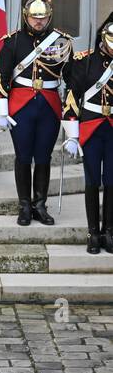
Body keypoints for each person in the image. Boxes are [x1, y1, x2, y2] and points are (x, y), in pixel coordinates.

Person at [0, 0, 72, 226]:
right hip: (21, 105)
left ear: (49, 17)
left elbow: (70, 79)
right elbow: (2, 77)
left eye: (43, 18)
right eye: (34, 17)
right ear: (26, 16)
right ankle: (24, 205)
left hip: (49, 105)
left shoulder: (62, 42)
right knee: (23, 156)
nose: (38, 22)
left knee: (44, 156)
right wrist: (2, 110)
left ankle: (40, 204)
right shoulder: (14, 41)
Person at [62, 19, 113, 255]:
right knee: (93, 180)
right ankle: (93, 232)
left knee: (111, 180)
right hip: (91, 127)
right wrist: (72, 134)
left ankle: (109, 231)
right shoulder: (85, 61)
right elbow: (72, 98)